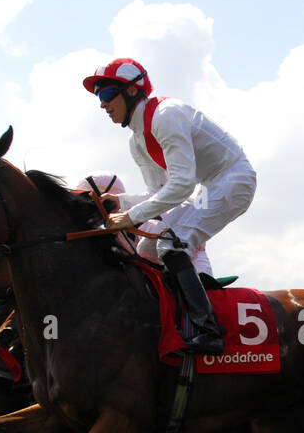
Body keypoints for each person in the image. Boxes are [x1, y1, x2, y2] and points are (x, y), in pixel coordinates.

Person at [82, 58, 256, 354]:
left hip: (233, 179)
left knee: (170, 246)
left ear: (133, 90)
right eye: (100, 97)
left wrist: (130, 217)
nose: (102, 105)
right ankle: (175, 319)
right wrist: (119, 203)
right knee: (147, 249)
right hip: (207, 186)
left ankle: (209, 331)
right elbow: (159, 192)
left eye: (107, 94)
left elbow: (182, 185)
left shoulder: (165, 115)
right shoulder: (136, 141)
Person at [73, 173, 214, 277]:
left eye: (88, 201)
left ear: (105, 198)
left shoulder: (143, 219)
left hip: (193, 271)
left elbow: (159, 251)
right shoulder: (115, 225)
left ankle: (201, 314)